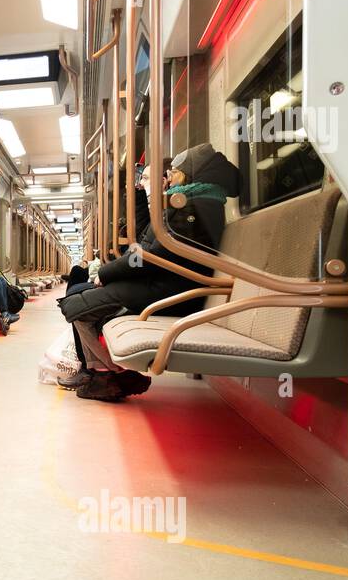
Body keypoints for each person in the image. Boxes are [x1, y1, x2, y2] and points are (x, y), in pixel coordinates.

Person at [56, 143, 240, 401]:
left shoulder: (188, 207)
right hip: (167, 283)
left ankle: (114, 373)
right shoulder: (186, 203)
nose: (168, 178)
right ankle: (102, 373)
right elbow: (146, 239)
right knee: (78, 301)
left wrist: (107, 274)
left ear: (186, 176)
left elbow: (151, 256)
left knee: (78, 306)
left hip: (172, 290)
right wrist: (139, 194)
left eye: (172, 173)